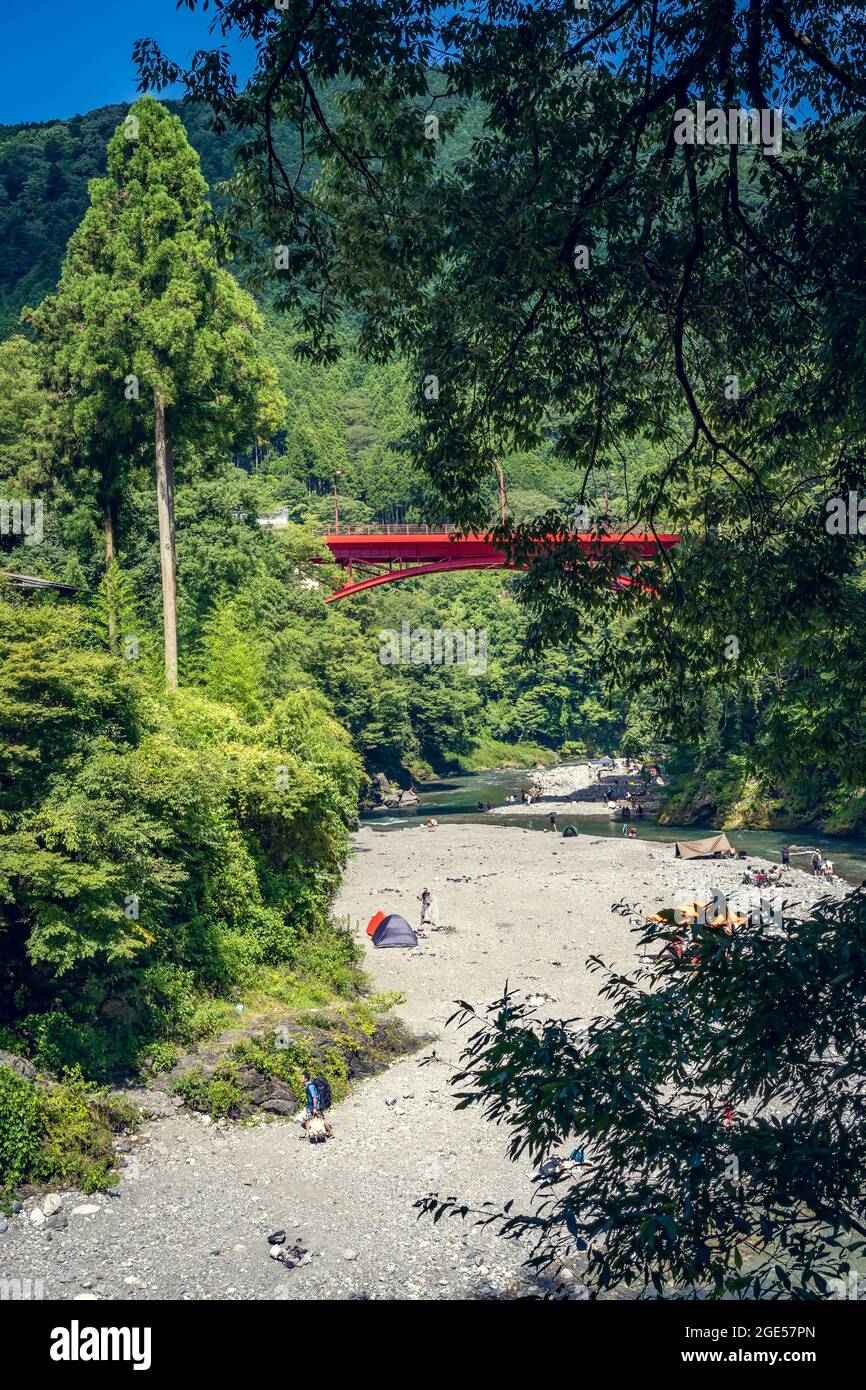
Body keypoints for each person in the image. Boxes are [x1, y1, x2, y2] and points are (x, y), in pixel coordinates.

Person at [302, 1072, 333, 1140]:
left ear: (306, 1079)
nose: (300, 1078)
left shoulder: (310, 1086)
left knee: (321, 1119)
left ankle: (330, 1132)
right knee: (307, 1120)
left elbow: (314, 1097)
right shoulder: (308, 1085)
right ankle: (307, 1134)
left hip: (315, 1106)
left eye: (302, 1077)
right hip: (311, 1106)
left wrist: (315, 1108)